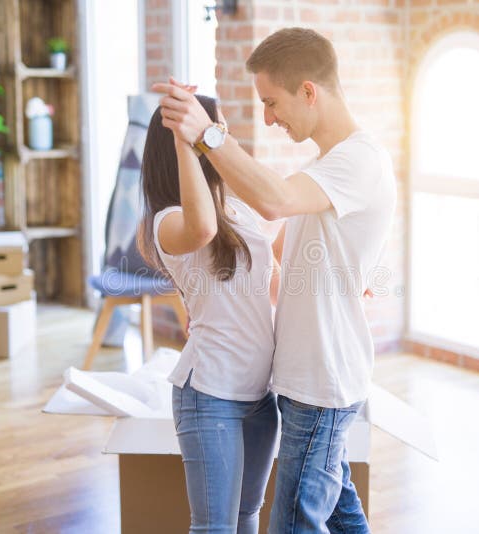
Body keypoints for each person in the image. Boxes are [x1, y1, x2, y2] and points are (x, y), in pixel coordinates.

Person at [153, 27, 397, 533]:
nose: (268, 118)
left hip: (322, 380)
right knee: (341, 513)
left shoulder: (358, 158)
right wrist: (349, 266)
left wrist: (207, 134)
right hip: (304, 378)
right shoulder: (326, 166)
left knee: (291, 524)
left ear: (309, 91)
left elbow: (274, 201)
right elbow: (283, 247)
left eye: (271, 102)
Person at [138, 94, 279, 533]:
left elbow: (269, 286)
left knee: (246, 517)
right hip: (210, 395)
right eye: (210, 132)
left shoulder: (236, 211)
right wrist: (187, 138)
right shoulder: (167, 221)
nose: (222, 141)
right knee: (215, 527)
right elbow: (202, 229)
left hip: (261, 396)